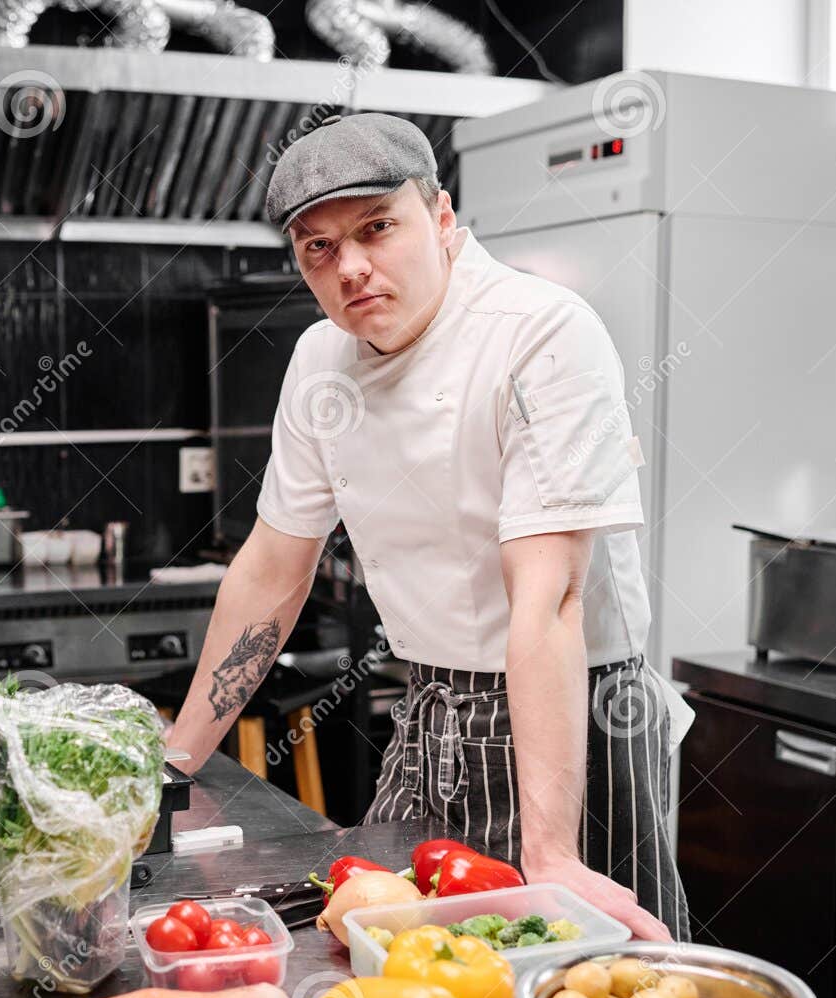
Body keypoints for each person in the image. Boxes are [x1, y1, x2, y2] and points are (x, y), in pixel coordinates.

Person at [165, 115, 692, 940]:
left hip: (576, 716)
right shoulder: (318, 363)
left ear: (442, 218)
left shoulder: (541, 332)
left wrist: (548, 850)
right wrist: (174, 762)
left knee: (588, 993)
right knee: (386, 949)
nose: (353, 268)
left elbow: (549, 601)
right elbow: (272, 569)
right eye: (320, 249)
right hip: (430, 707)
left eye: (378, 227)